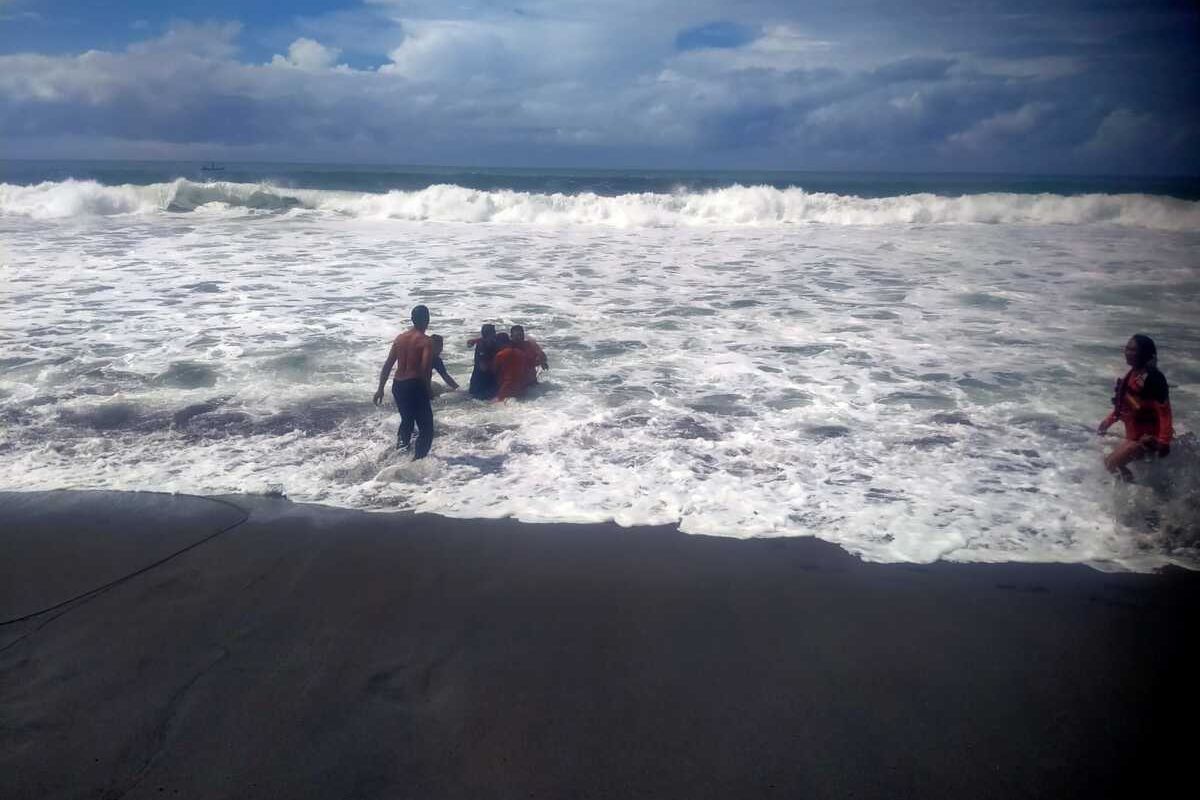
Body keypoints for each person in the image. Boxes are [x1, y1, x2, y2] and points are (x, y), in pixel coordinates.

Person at [1098, 333, 1174, 481]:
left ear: (1144, 354)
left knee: (1110, 464)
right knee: (1109, 462)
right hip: (1133, 437)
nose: (1127, 352)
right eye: (1127, 349)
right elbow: (1125, 407)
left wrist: (1164, 442)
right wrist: (1107, 422)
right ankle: (1135, 489)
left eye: (1132, 350)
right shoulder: (1132, 375)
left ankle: (1135, 492)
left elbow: (1165, 412)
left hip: (1148, 440)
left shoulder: (1153, 378)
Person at [373, 305, 436, 459]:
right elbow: (425, 368)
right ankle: (417, 460)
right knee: (426, 428)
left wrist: (380, 388)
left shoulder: (400, 338)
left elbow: (388, 364)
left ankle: (399, 455)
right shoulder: (426, 341)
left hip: (398, 385)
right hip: (415, 385)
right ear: (426, 319)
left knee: (407, 421)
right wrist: (428, 389)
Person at [492, 332, 531, 401]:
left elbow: (494, 370)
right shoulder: (521, 353)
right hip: (520, 387)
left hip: (506, 387)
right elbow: (527, 369)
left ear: (500, 343)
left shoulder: (500, 355)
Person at [466, 324, 499, 400]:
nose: (495, 335)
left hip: (488, 382)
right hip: (480, 383)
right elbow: (483, 367)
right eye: (494, 333)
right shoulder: (482, 346)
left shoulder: (492, 342)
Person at [510, 324, 548, 388]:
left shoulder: (530, 345)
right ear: (511, 336)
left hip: (531, 383)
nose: (519, 338)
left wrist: (542, 361)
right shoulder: (508, 347)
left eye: (521, 335)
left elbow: (543, 356)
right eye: (516, 336)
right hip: (514, 384)